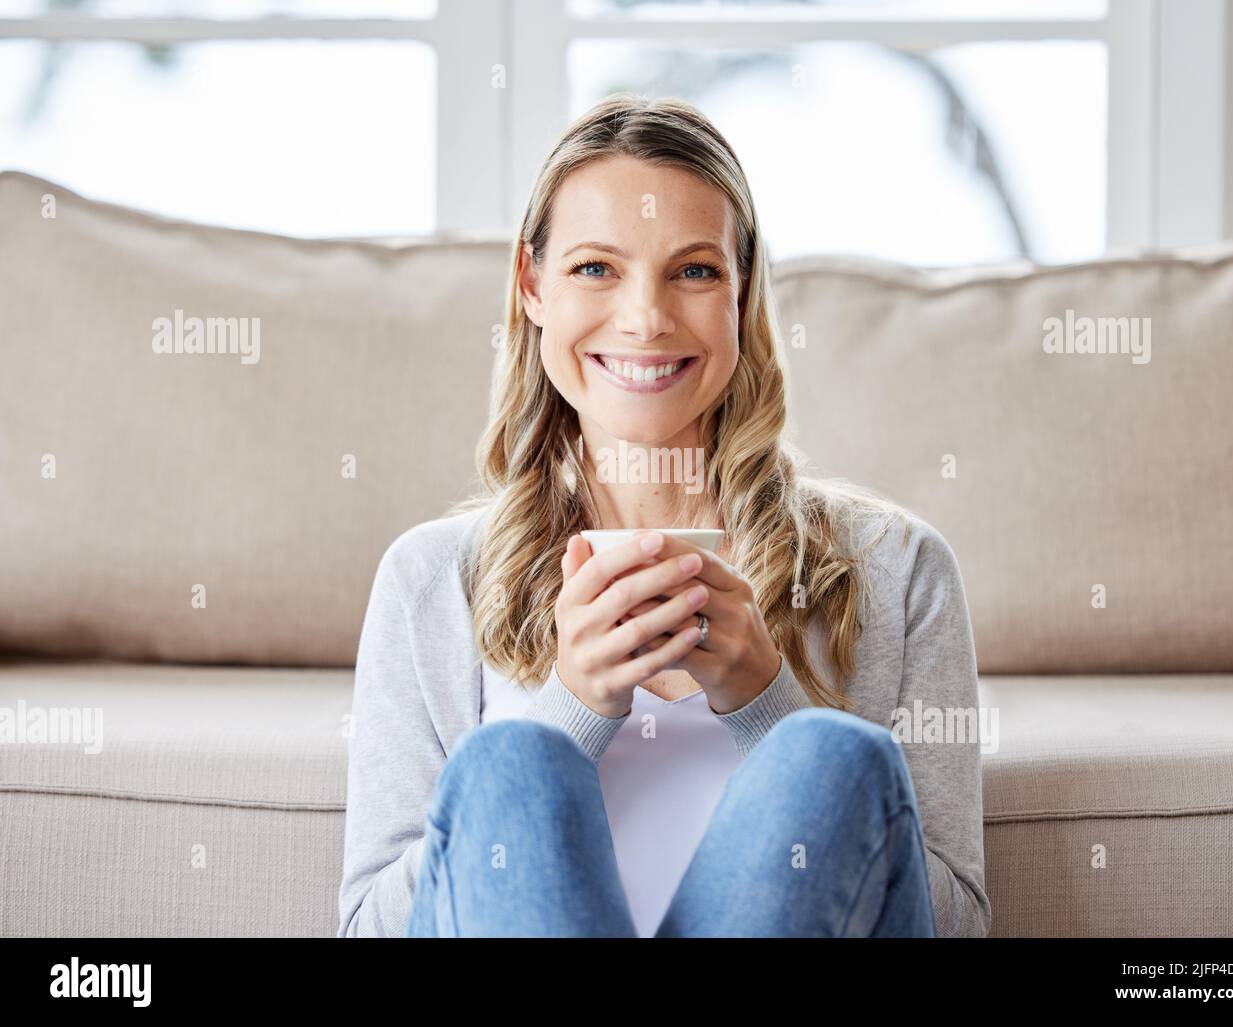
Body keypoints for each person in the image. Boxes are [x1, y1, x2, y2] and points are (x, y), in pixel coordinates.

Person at [336, 93, 991, 939]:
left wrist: (766, 701)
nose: (645, 318)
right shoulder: (431, 580)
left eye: (693, 270)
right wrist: (570, 708)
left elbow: (960, 925)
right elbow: (367, 929)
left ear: (741, 291)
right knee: (512, 764)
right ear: (533, 286)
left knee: (830, 755)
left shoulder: (899, 569)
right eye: (595, 268)